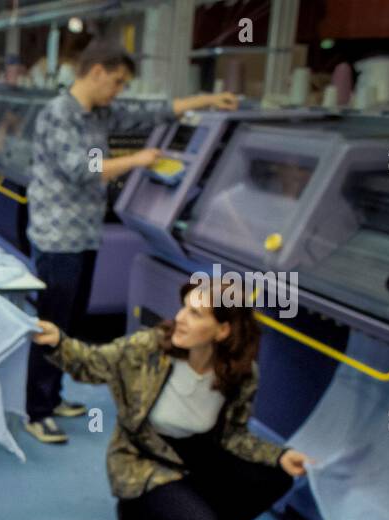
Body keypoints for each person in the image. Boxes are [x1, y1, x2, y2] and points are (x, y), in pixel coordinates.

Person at [23, 38, 240, 445]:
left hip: (83, 234)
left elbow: (151, 111)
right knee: (52, 322)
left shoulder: (99, 113)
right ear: (97, 71)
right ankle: (37, 411)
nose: (118, 91)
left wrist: (209, 100)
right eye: (117, 82)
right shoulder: (59, 113)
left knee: (71, 322)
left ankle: (53, 397)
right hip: (58, 238)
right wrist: (138, 160)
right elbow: (79, 168)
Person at [30, 279, 310, 520]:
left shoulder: (241, 373)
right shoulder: (149, 348)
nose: (180, 319)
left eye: (195, 314)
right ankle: (134, 512)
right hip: (144, 454)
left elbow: (233, 435)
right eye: (184, 309)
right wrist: (58, 342)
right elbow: (91, 363)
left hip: (198, 451)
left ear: (223, 331)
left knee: (277, 475)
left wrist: (279, 455)